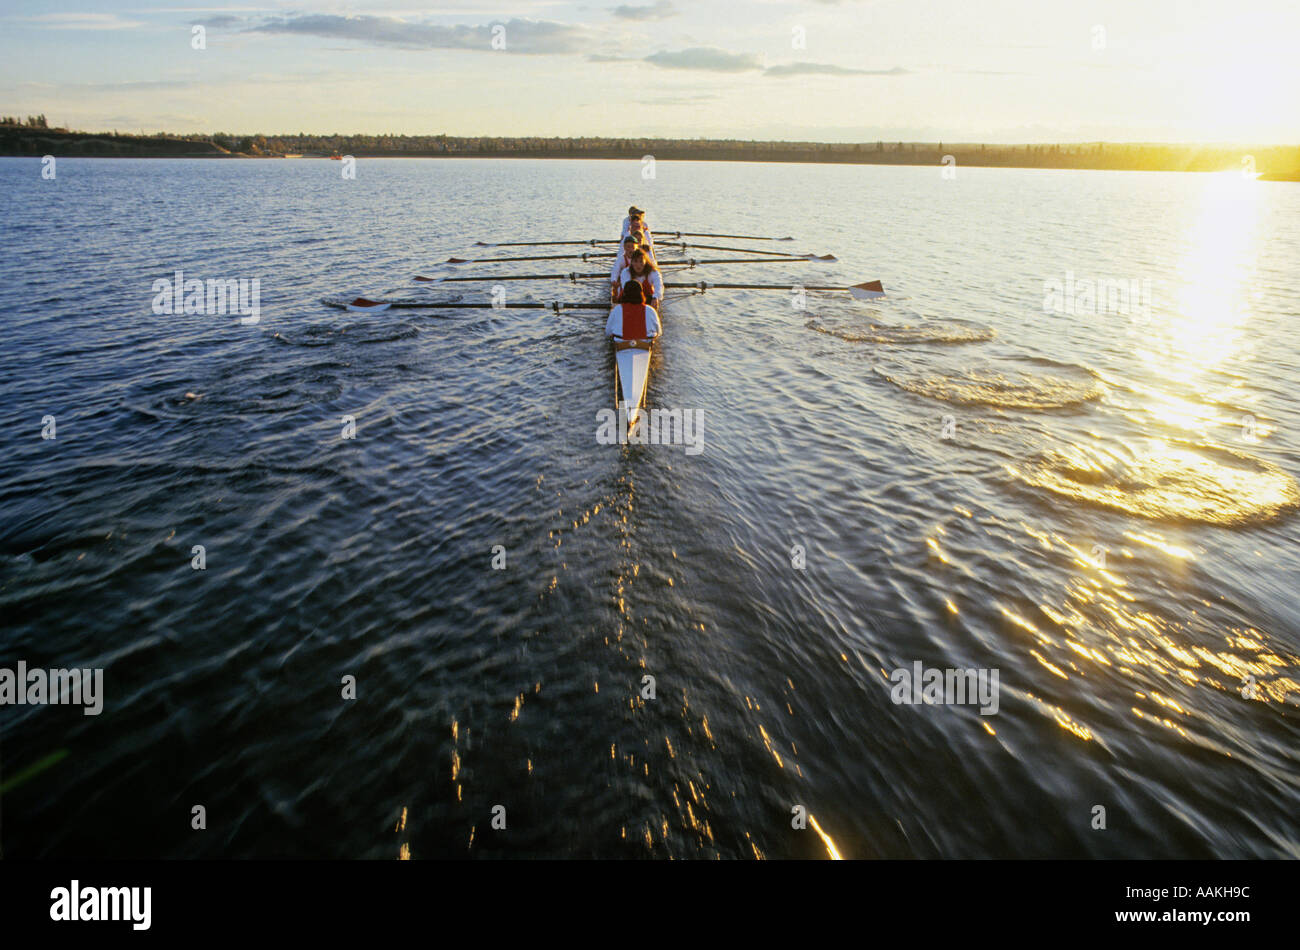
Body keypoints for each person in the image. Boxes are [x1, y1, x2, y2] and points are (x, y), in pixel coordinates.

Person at [617, 248, 663, 312]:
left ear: (645, 262)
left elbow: (659, 286)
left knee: (653, 298)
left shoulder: (653, 272)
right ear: (631, 262)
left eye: (641, 261)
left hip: (648, 300)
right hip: (630, 299)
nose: (638, 265)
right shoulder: (626, 272)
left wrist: (655, 298)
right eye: (635, 261)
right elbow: (626, 288)